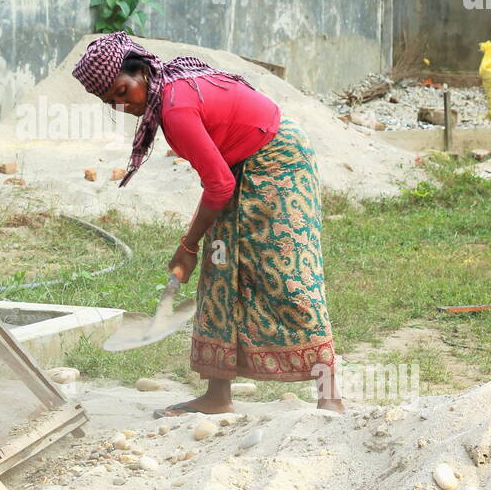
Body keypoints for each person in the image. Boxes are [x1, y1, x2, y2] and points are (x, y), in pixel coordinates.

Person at [73, 32, 343, 415]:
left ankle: (330, 396)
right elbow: (221, 180)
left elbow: (219, 186)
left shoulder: (176, 107)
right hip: (240, 166)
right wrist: (197, 246)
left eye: (122, 90)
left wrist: (188, 245)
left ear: (141, 72)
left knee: (288, 274)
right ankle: (217, 396)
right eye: (109, 101)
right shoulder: (168, 90)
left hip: (278, 164)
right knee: (220, 272)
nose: (121, 104)